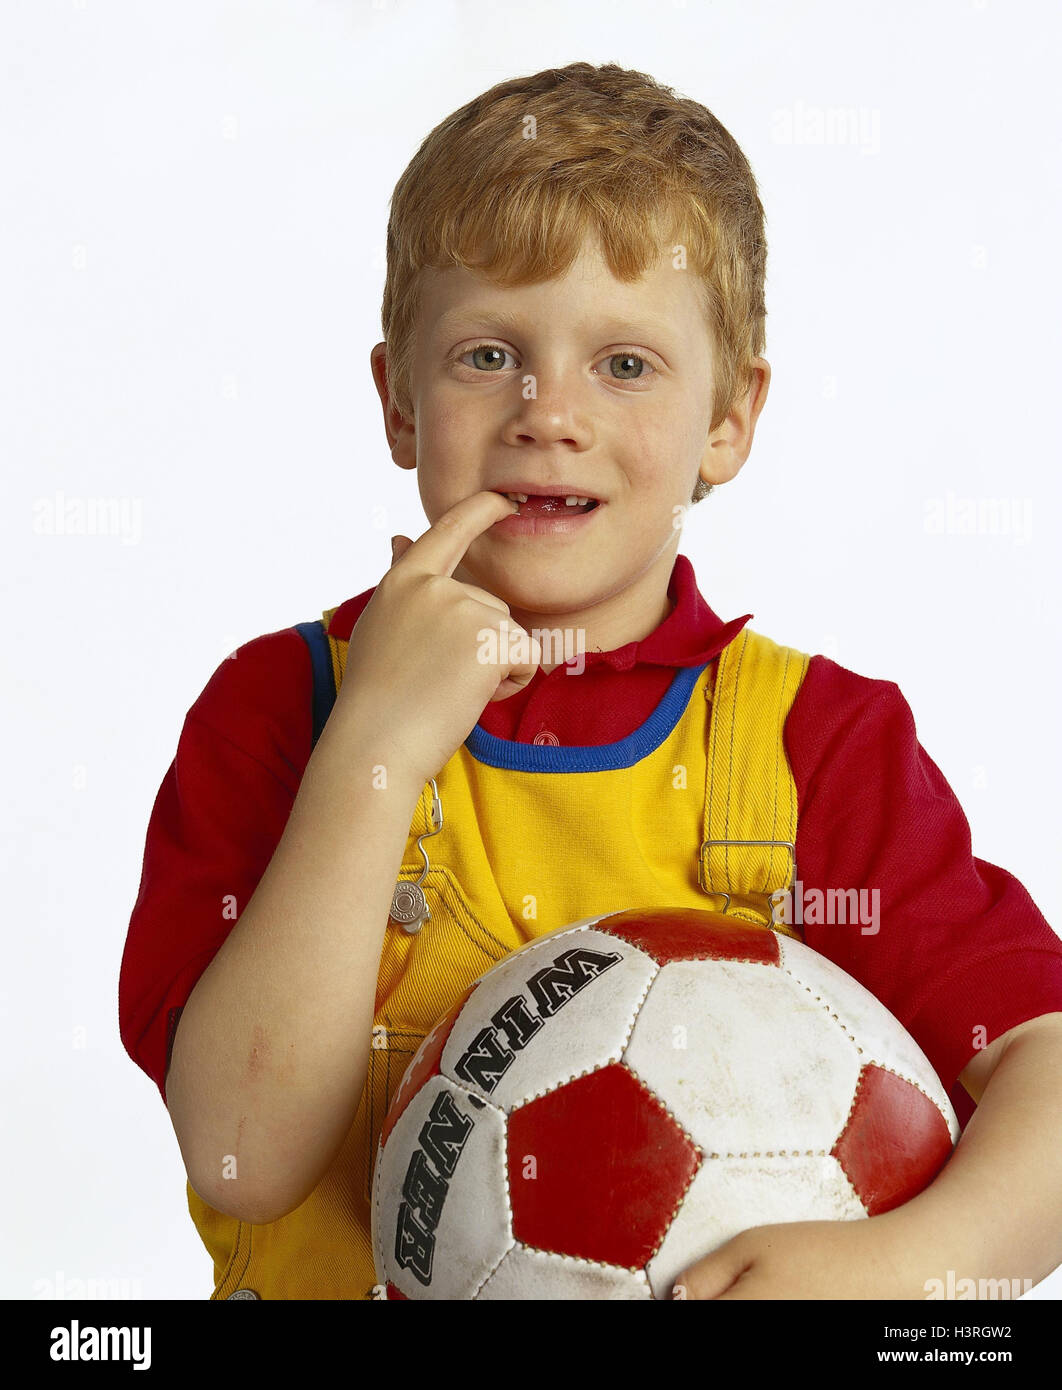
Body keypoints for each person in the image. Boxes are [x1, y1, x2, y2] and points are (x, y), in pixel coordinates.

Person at [119, 61, 1062, 1300]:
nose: (546, 411)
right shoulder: (278, 709)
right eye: (486, 353)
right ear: (397, 401)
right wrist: (378, 746)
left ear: (730, 417)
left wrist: (902, 1265)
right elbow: (243, 1155)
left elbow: (1042, 1065)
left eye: (624, 364)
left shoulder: (816, 743)